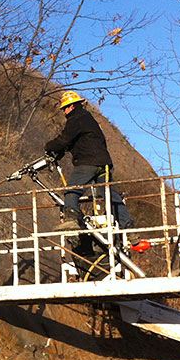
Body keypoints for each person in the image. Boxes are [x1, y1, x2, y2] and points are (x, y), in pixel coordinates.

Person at [45, 90, 149, 252]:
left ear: (71, 106)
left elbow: (65, 138)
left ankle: (71, 219)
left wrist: (49, 146)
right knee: (110, 196)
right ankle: (131, 232)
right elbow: (76, 141)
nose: (64, 111)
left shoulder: (76, 118)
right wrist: (61, 150)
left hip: (88, 162)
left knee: (71, 190)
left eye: (64, 108)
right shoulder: (88, 119)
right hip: (103, 164)